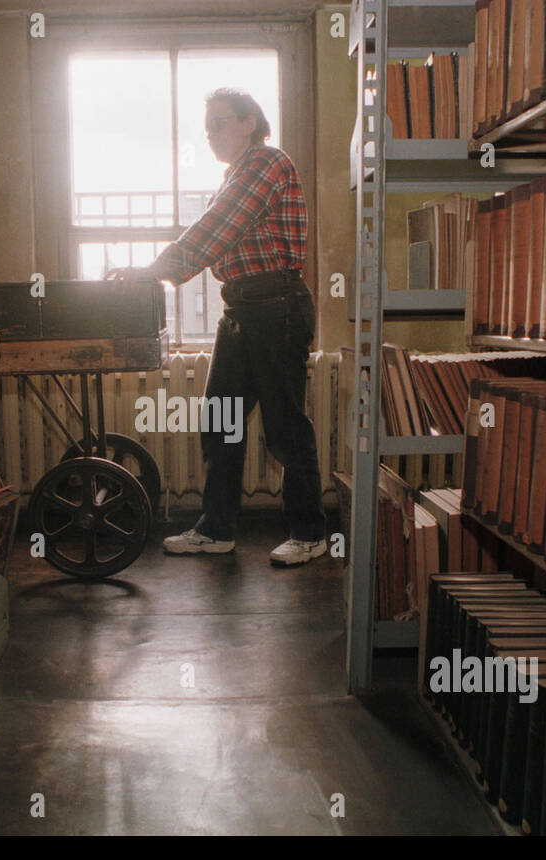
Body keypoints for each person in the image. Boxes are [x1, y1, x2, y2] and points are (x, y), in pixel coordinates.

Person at [108, 88, 327, 566]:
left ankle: (310, 533)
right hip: (242, 311)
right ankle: (217, 529)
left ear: (250, 122)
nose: (212, 135)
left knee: (285, 428)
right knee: (220, 418)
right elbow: (215, 239)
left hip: (276, 308)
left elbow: (214, 230)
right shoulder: (232, 177)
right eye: (207, 128)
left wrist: (150, 270)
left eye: (221, 123)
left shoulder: (267, 163)